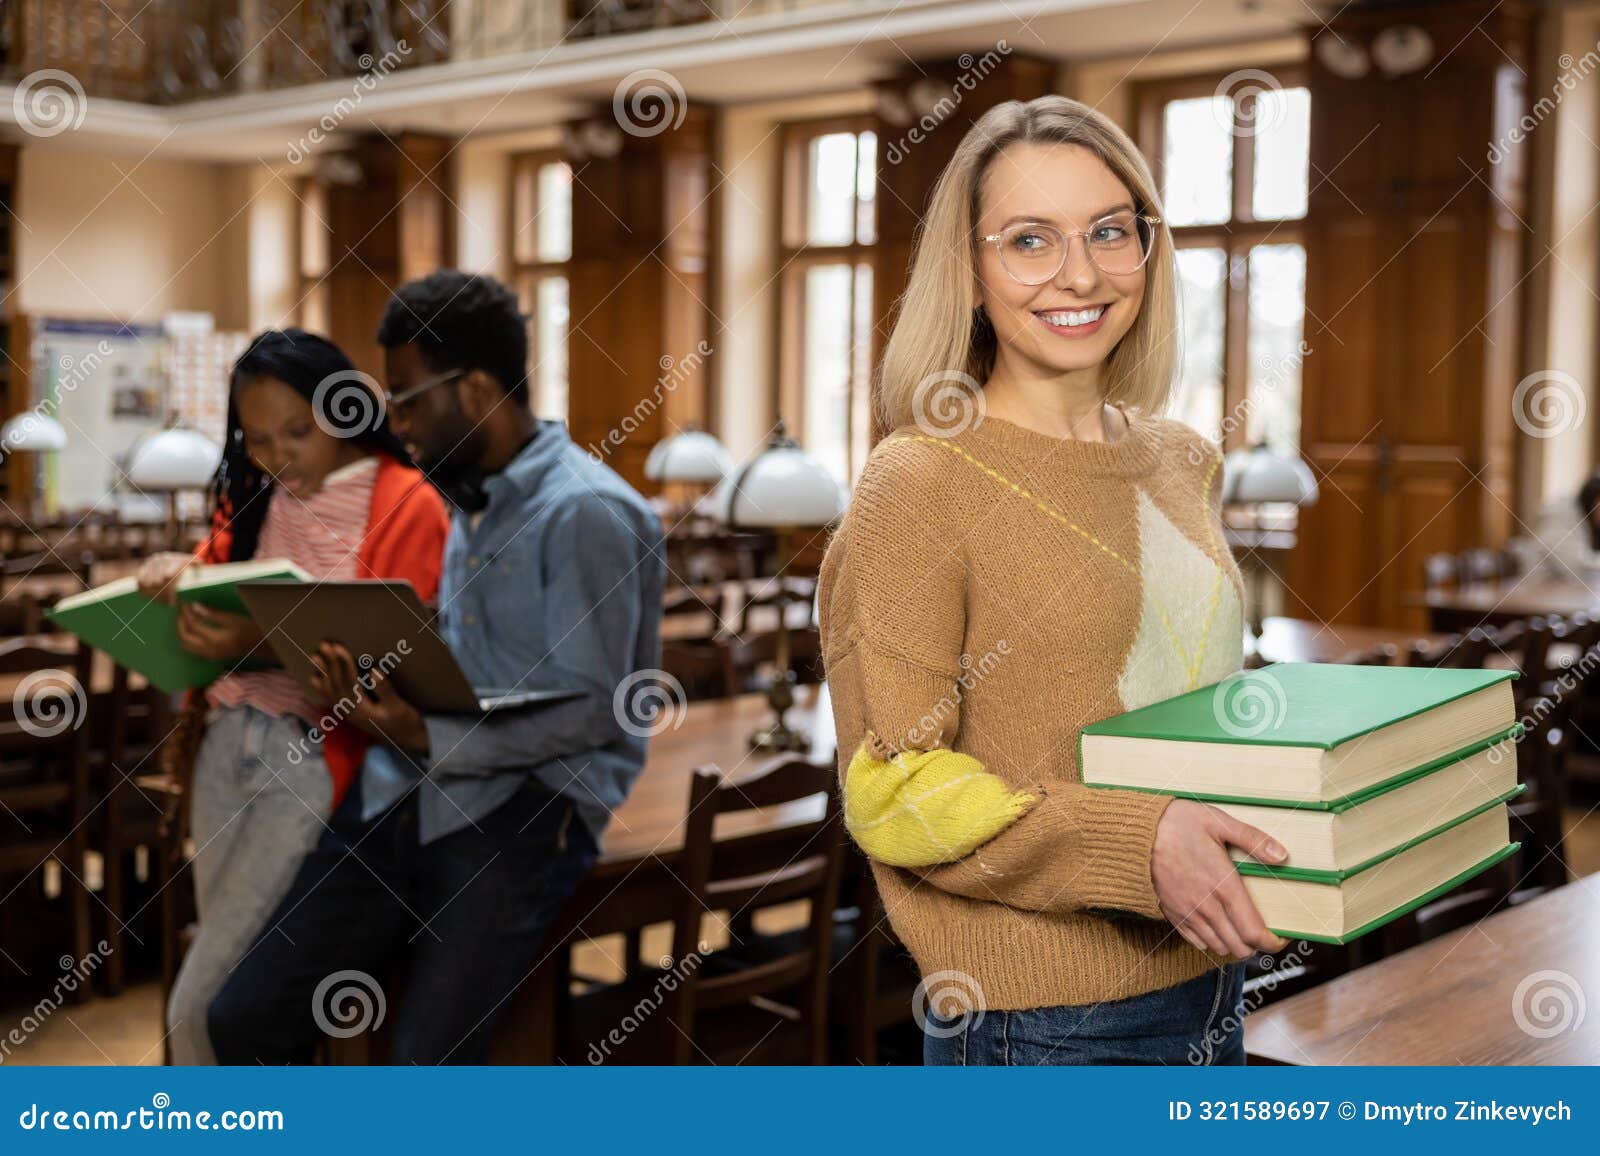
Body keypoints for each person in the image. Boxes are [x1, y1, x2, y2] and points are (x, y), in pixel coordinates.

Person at [817, 95, 1290, 1067]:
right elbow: (893, 791)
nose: (1081, 273)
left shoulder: (1178, 458)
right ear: (970, 268)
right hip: (1042, 1024)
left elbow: (1195, 704)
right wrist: (1137, 842)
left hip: (1213, 973)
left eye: (1110, 231)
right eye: (1030, 240)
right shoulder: (922, 478)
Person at [207, 271, 666, 1064]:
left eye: (408, 400)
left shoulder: (587, 512)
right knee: (242, 1016)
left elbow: (598, 710)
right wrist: (374, 685)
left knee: (424, 1067)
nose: (396, 424)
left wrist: (425, 731)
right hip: (408, 786)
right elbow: (470, 661)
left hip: (528, 815)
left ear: (479, 388)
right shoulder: (468, 494)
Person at [140, 330, 449, 1065]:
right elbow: (212, 581)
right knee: (243, 982)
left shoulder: (409, 505)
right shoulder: (253, 497)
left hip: (311, 762)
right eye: (256, 440)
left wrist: (251, 641)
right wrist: (173, 574)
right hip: (224, 745)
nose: (277, 456)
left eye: (297, 433)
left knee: (205, 1006)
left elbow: (397, 657)